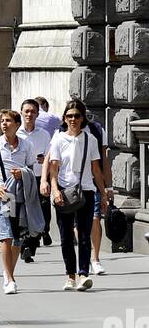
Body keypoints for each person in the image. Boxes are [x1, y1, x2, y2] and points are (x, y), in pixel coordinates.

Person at [43, 98, 107, 291]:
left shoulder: (90, 139)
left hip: (86, 191)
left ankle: (83, 274)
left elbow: (96, 169)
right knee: (66, 237)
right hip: (63, 191)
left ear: (82, 118)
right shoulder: (58, 139)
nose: (73, 119)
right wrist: (54, 190)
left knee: (85, 235)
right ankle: (70, 275)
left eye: (77, 116)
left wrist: (103, 194)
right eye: (69, 116)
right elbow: (54, 168)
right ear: (64, 118)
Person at [0, 109, 35, 295]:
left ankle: (8, 271)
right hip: (2, 196)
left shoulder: (26, 146)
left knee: (18, 238)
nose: (4, 124)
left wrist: (23, 173)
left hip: (20, 195)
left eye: (8, 121)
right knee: (6, 235)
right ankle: (10, 279)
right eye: (2, 121)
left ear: (17, 125)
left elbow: (31, 170)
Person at [17, 99, 51, 261]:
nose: (29, 114)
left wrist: (43, 159)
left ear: (38, 114)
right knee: (23, 211)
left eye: (33, 111)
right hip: (21, 178)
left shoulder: (44, 135)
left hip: (39, 177)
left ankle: (34, 242)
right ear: (22, 113)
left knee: (41, 212)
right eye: (27, 111)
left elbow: (50, 156)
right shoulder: (16, 133)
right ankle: (25, 245)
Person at [85, 107, 113, 276]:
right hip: (74, 184)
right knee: (79, 224)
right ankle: (86, 255)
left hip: (94, 182)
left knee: (96, 218)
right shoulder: (63, 131)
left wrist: (108, 188)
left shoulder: (97, 130)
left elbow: (104, 160)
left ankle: (95, 259)